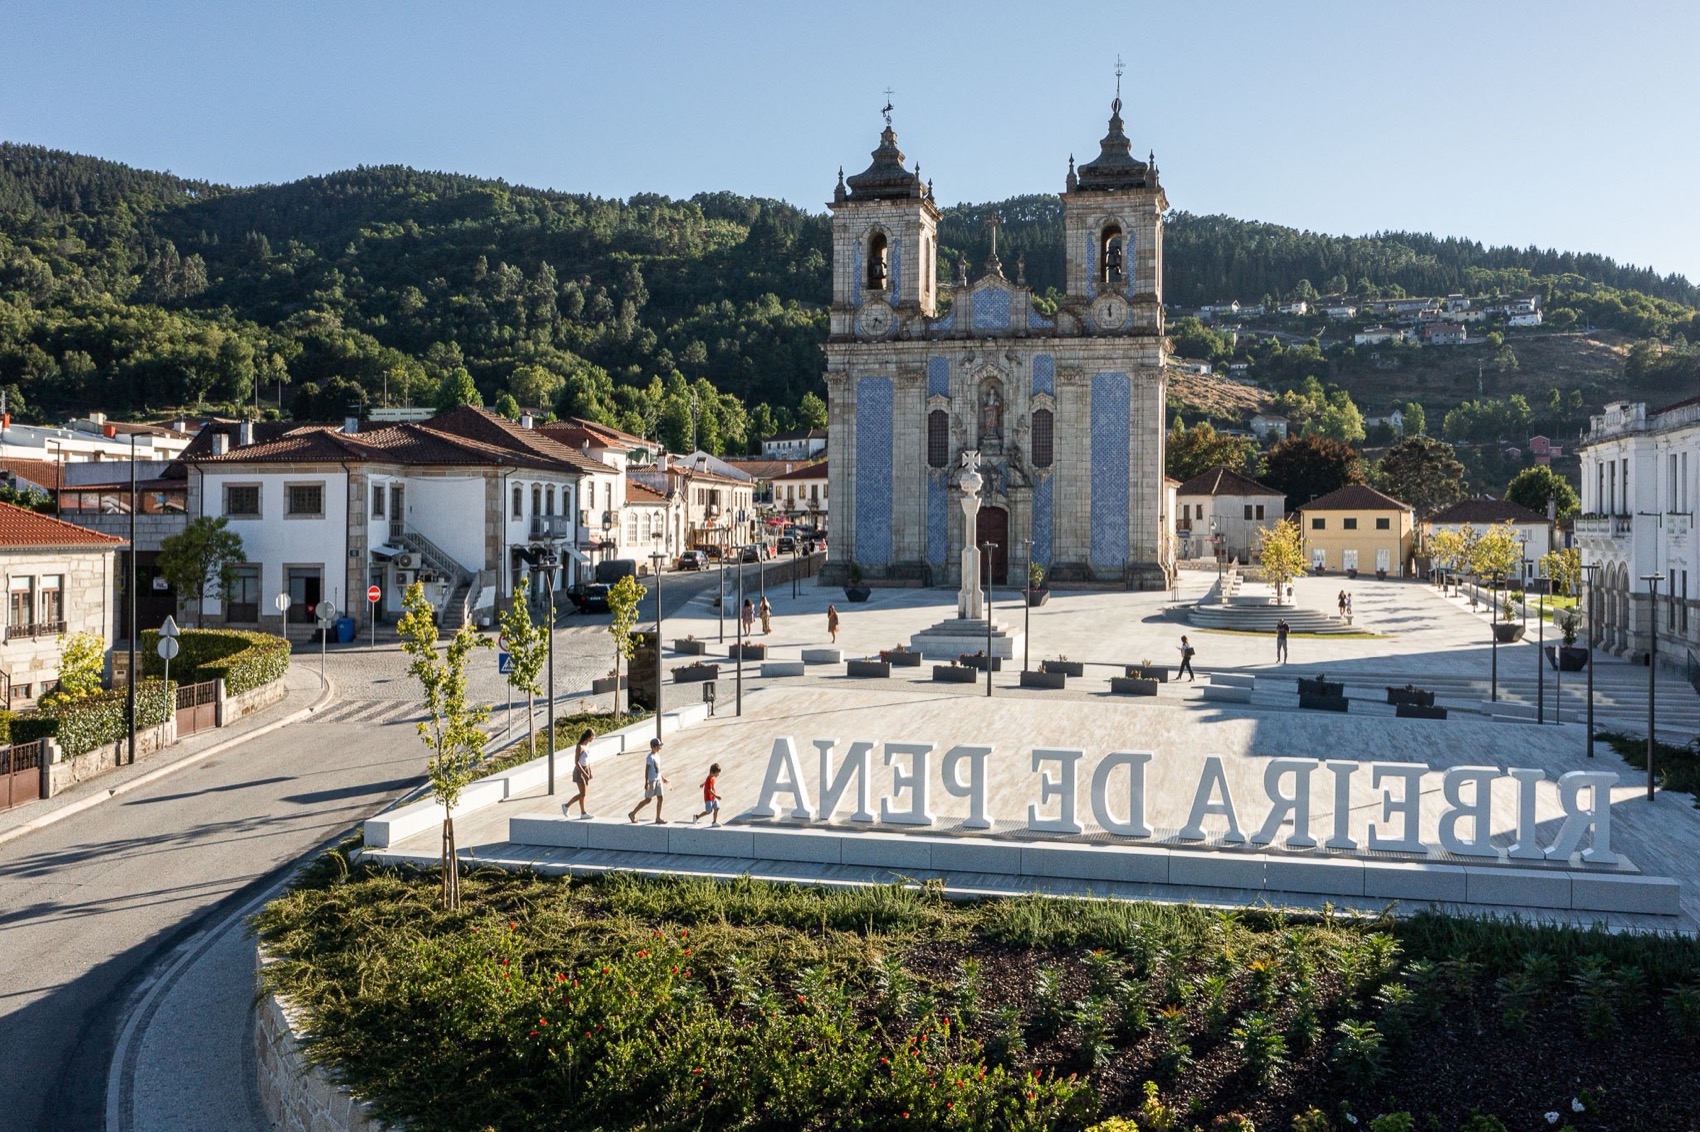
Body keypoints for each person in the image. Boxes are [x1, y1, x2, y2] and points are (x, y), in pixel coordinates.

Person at [627, 737, 668, 824]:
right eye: (658, 746)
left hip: (658, 780)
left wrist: (662, 777)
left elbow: (658, 769)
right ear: (653, 747)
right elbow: (647, 770)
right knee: (648, 800)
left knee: (660, 798)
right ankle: (632, 813)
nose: (660, 748)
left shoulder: (657, 756)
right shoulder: (650, 757)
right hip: (652, 780)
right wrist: (647, 782)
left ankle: (658, 817)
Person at [562, 727, 595, 818]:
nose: (593, 738)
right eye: (593, 736)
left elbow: (587, 760)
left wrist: (590, 771)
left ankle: (583, 813)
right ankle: (566, 806)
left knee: (583, 794)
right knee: (582, 793)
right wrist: (584, 773)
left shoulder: (587, 746)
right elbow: (576, 762)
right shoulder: (580, 747)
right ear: (589, 736)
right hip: (579, 771)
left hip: (586, 770)